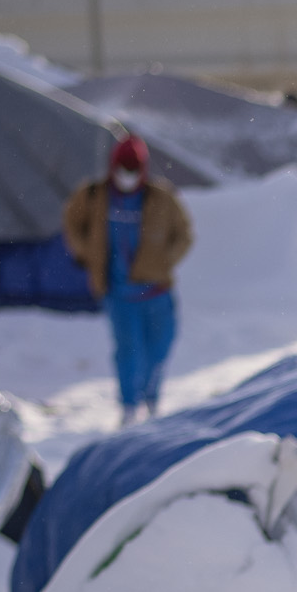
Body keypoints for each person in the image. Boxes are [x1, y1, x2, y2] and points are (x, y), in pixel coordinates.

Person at [63, 134, 192, 423]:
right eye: (123, 169)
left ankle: (151, 397)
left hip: (156, 292)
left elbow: (183, 234)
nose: (127, 177)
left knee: (160, 348)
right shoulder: (95, 196)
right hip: (119, 295)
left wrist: (163, 262)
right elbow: (73, 223)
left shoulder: (160, 197)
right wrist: (88, 254)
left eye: (133, 170)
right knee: (129, 354)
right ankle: (129, 406)